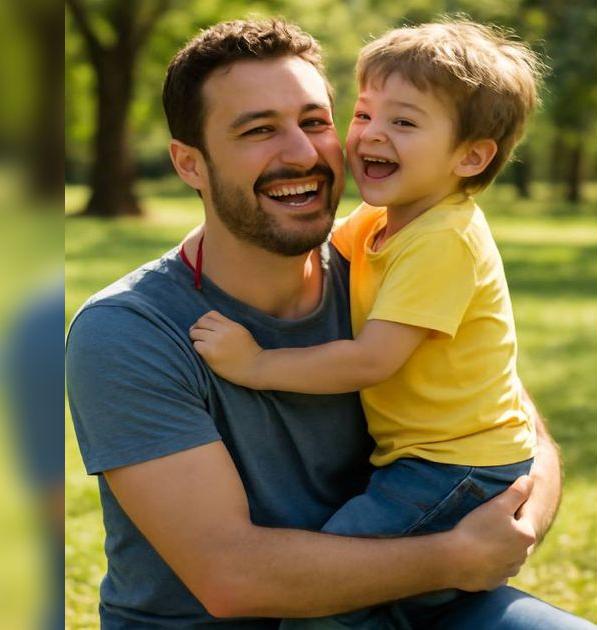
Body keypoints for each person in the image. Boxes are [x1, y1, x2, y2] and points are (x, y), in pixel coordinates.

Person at [67, 19, 588, 628]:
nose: (301, 152)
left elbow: (509, 413)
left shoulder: (376, 266)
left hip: (408, 590)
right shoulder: (130, 330)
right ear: (190, 164)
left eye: (315, 123)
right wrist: (456, 556)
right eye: (259, 130)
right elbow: (232, 579)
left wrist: (517, 523)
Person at [186, 21, 548, 626]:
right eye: (363, 115)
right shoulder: (384, 222)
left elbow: (372, 360)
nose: (372, 135)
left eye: (404, 123)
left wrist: (257, 365)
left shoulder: (445, 240)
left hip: (454, 470)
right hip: (428, 462)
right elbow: (294, 236)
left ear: (471, 155)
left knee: (328, 597)